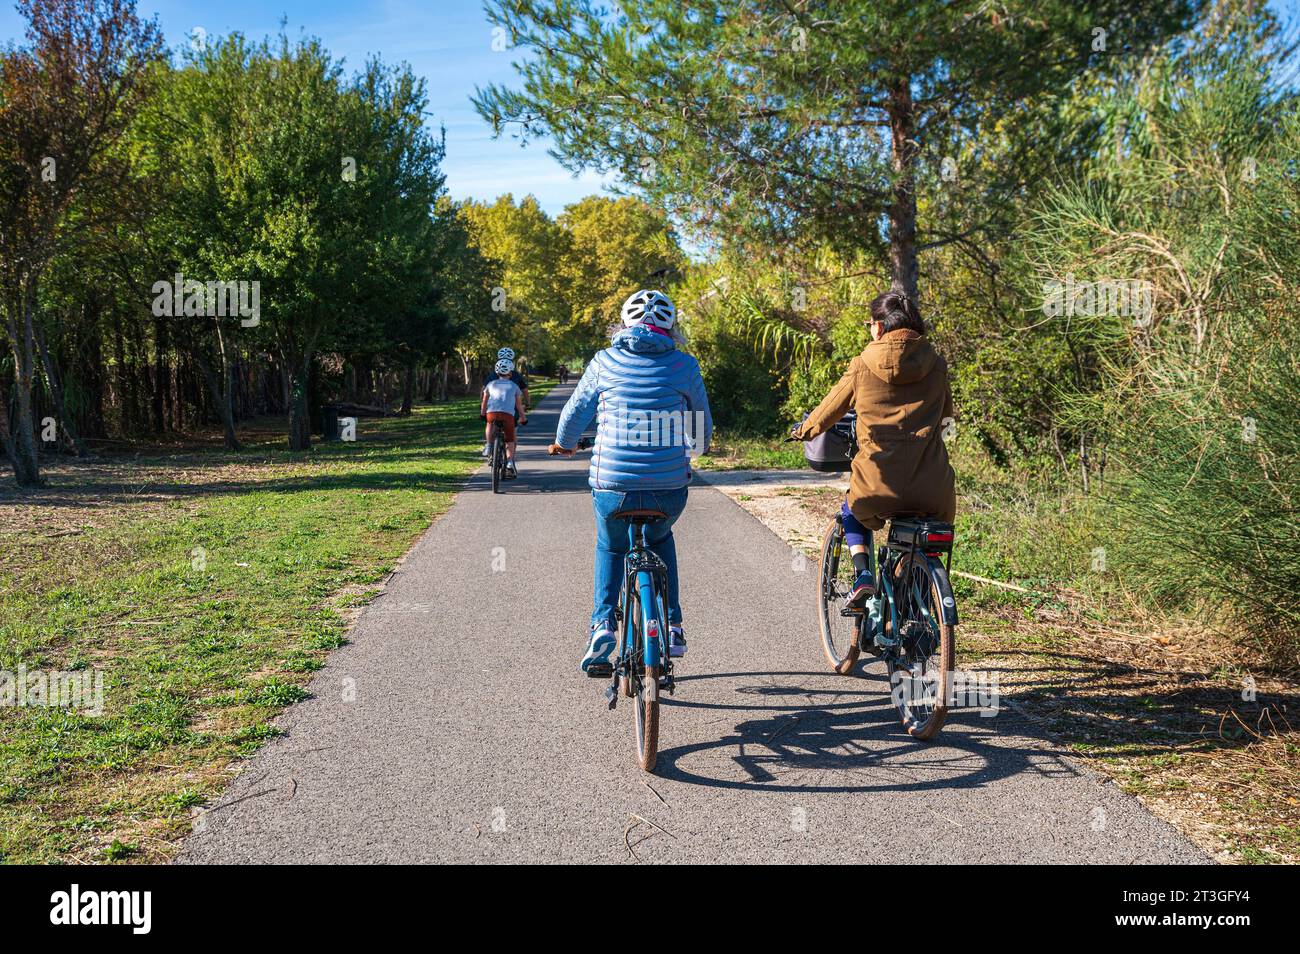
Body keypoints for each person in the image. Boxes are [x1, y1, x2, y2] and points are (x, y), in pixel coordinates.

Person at [549, 289, 712, 672]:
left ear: (623, 324)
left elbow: (575, 412)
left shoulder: (604, 361)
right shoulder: (685, 365)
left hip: (613, 488)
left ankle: (602, 623)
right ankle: (673, 626)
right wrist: (691, 449)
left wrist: (564, 444)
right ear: (672, 329)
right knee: (660, 537)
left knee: (611, 546)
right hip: (668, 489)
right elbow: (701, 430)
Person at [791, 290, 956, 607]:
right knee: (928, 538)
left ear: (880, 327)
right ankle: (921, 605)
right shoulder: (936, 365)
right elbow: (947, 418)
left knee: (850, 511)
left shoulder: (862, 364)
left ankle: (863, 575)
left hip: (877, 485)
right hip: (933, 487)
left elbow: (828, 411)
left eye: (870, 323)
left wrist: (803, 431)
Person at [481, 358, 527, 479]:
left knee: (489, 424)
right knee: (510, 440)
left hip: (492, 414)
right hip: (508, 416)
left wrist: (482, 414)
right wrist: (523, 418)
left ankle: (489, 446)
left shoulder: (491, 384)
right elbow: (518, 405)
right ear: (510, 374)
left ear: (497, 373)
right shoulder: (514, 386)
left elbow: (484, 400)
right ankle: (510, 462)